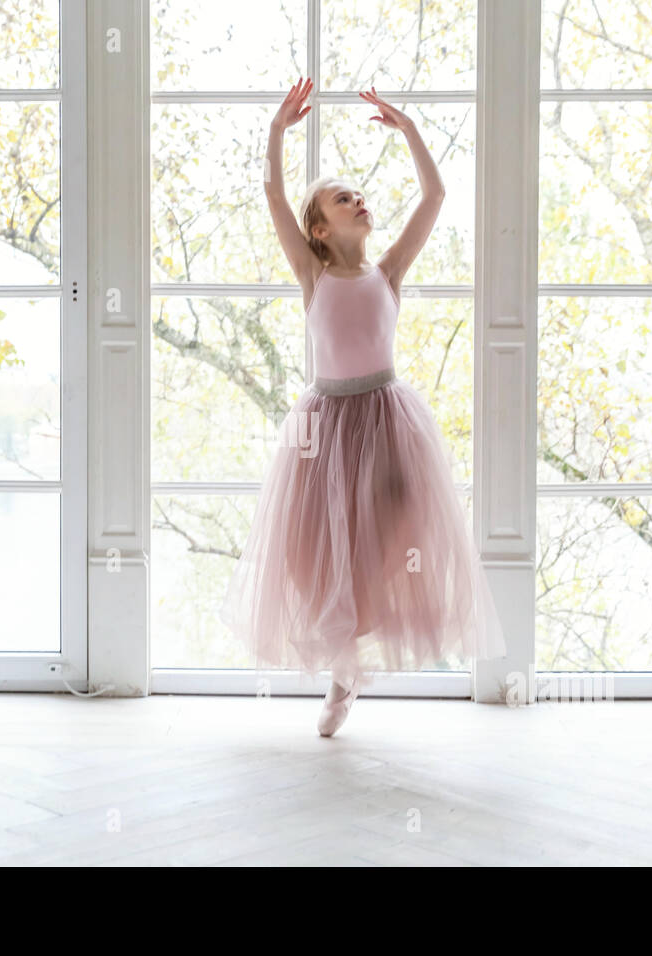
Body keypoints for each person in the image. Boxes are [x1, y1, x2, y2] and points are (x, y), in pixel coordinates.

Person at [218, 77, 506, 737]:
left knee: (389, 544)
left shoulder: (389, 273)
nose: (359, 199)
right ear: (320, 227)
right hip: (323, 428)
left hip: (385, 421)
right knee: (314, 551)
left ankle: (349, 672)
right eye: (343, 198)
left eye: (360, 194)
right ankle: (339, 673)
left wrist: (408, 131)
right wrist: (276, 131)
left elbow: (435, 196)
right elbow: (271, 193)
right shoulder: (311, 273)